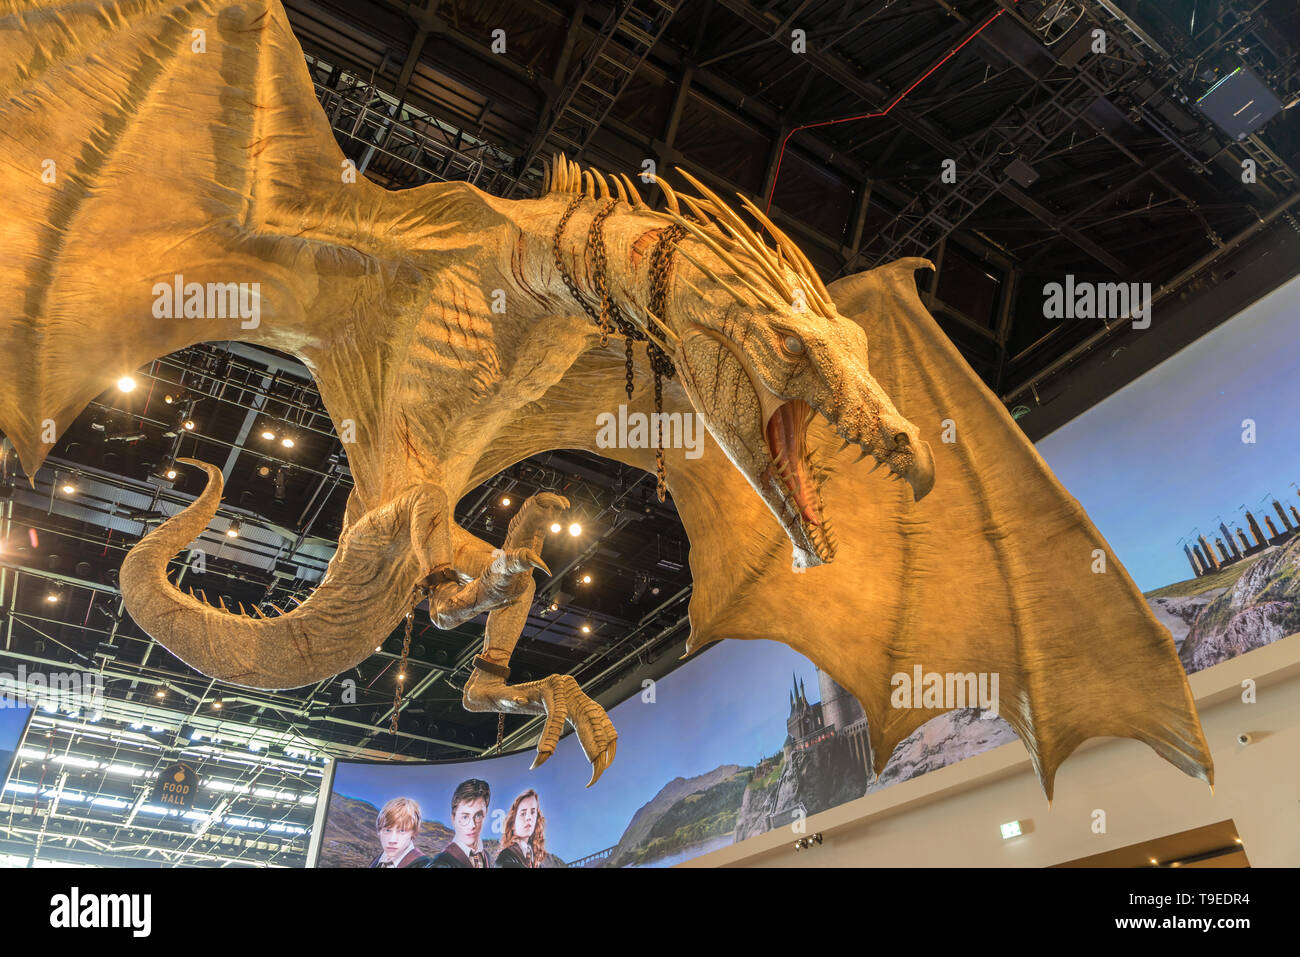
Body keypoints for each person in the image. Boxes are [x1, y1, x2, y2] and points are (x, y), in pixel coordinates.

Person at [429, 779, 492, 868]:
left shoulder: (485, 856)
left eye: (478, 815)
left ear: (486, 813)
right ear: (453, 819)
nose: (472, 825)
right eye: (465, 817)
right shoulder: (440, 864)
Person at [369, 797, 432, 868]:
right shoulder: (376, 862)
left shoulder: (425, 865)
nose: (392, 840)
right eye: (387, 830)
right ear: (379, 831)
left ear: (413, 832)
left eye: (402, 831)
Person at [495, 789, 547, 868]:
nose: (528, 818)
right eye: (523, 813)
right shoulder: (505, 858)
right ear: (513, 824)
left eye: (532, 812)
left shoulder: (536, 860)